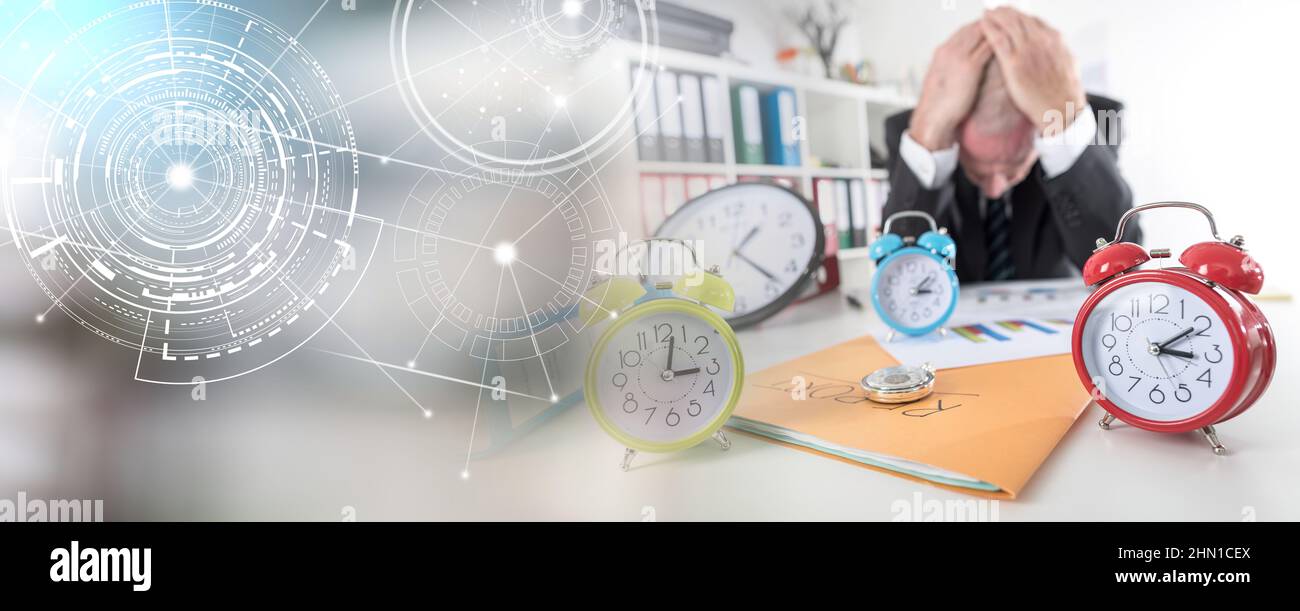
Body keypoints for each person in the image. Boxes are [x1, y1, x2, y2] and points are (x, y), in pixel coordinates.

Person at [883, 7, 1140, 282]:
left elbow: (1122, 269)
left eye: (1013, 165)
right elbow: (898, 275)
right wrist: (929, 137)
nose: (995, 189)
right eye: (978, 169)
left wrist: (1064, 125)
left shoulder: (1091, 121)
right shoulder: (915, 130)